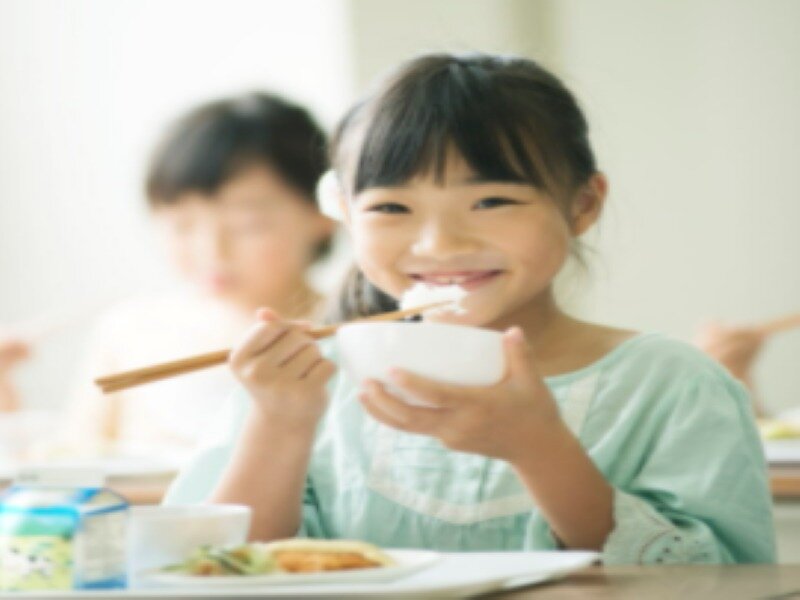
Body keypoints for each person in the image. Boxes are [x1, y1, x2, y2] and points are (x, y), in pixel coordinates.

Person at [165, 54, 775, 564]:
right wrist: (279, 424)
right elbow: (216, 568)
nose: (439, 245)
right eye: (390, 208)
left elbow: (716, 579)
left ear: (583, 205)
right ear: (346, 214)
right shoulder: (306, 382)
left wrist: (540, 448)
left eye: (491, 201)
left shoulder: (674, 384)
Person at [2, 92, 335, 460]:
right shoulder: (130, 330)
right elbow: (70, 463)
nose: (212, 251)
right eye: (182, 225)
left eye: (247, 224)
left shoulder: (350, 329)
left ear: (325, 210)